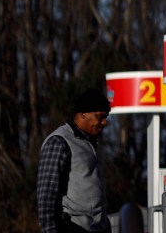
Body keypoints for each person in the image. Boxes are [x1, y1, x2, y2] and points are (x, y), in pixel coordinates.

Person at [37, 88, 111, 233]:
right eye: (100, 117)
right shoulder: (59, 141)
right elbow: (46, 195)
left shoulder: (94, 143)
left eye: (106, 117)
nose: (104, 122)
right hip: (71, 227)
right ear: (83, 114)